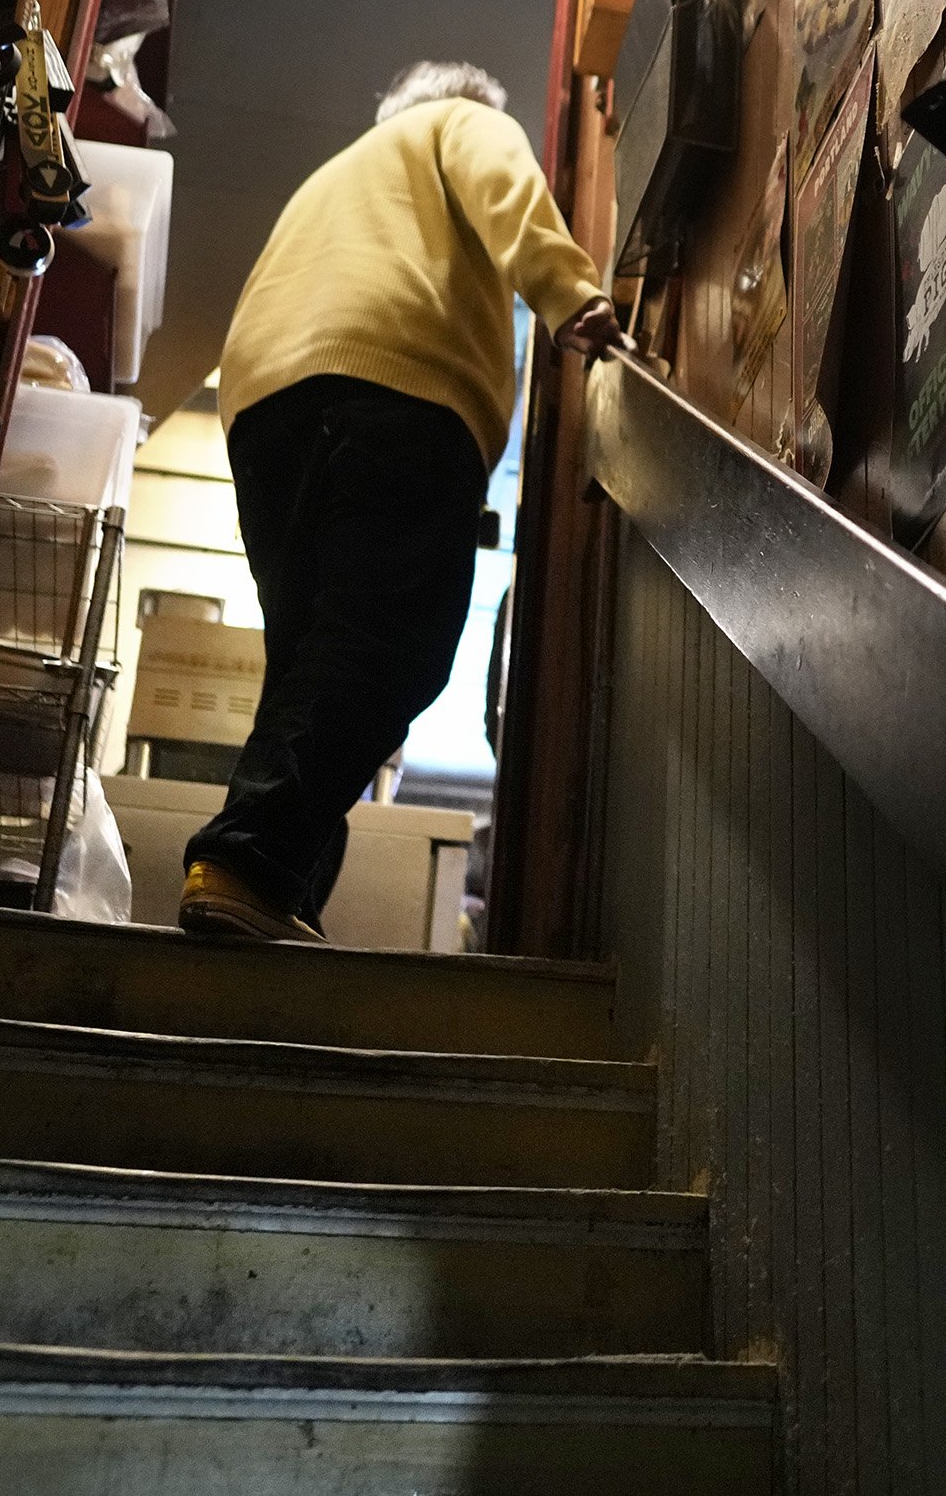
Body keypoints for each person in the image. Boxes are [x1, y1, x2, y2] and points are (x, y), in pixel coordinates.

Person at [179, 59, 623, 942]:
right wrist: (569, 292)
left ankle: (276, 890)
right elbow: (502, 176)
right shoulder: (457, 124)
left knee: (313, 661)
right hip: (396, 382)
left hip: (264, 408)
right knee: (393, 644)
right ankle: (247, 858)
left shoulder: (332, 176)